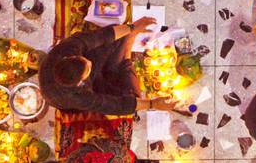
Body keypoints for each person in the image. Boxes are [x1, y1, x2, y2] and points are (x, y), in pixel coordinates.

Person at [40, 17, 174, 116]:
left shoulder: (67, 48)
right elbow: (113, 105)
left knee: (117, 32)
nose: (89, 63)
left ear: (70, 57)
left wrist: (132, 28)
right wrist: (153, 104)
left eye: (83, 60)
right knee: (132, 97)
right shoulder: (77, 96)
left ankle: (122, 55)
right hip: (92, 87)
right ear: (81, 82)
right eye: (87, 68)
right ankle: (125, 59)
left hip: (87, 64)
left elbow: (99, 36)